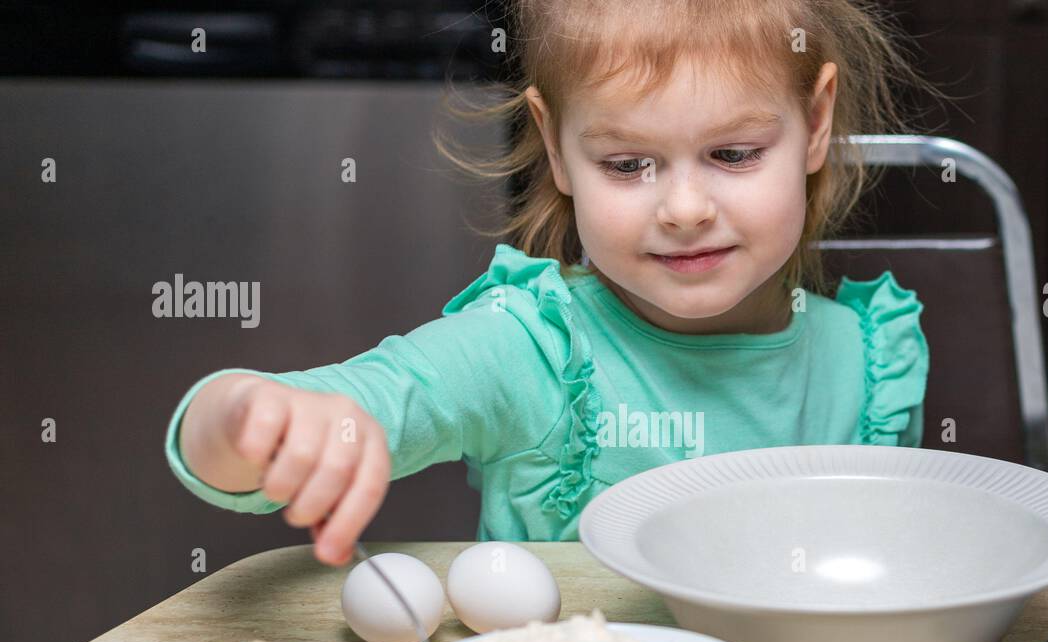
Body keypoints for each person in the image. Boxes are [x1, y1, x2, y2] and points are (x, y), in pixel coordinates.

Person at [166, 0, 930, 565]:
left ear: (817, 122)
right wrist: (248, 417)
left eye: (734, 154)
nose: (686, 209)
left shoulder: (869, 367)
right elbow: (285, 430)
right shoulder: (528, 351)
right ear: (557, 150)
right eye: (627, 164)